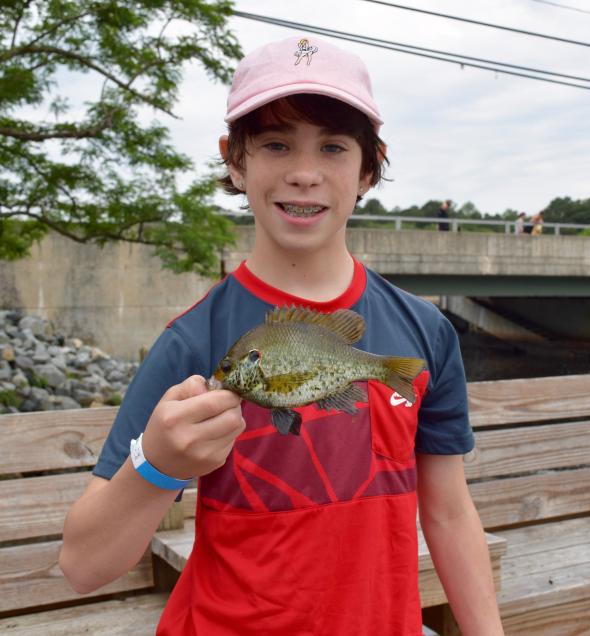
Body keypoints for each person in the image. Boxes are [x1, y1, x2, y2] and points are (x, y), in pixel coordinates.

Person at [59, 36, 504, 636]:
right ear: (235, 160)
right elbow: (83, 566)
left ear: (369, 165)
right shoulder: (194, 341)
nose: (303, 173)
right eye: (275, 144)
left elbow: (449, 515)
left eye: (333, 147)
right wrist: (158, 466)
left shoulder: (426, 335)